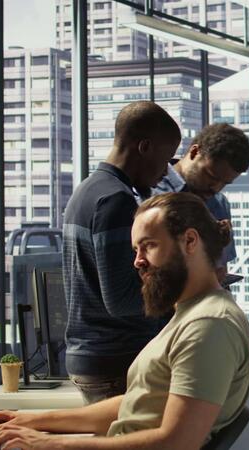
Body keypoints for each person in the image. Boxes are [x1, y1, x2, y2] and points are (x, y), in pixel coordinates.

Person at [0, 192, 249, 450]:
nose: (137, 261)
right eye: (136, 250)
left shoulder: (209, 324)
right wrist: (31, 421)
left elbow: (177, 442)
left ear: (190, 241)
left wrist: (51, 444)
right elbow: (137, 404)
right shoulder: (190, 313)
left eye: (149, 246)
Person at [63, 101, 181, 404]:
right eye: (165, 159)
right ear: (145, 147)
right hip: (117, 357)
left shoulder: (87, 190)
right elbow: (122, 300)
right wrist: (183, 291)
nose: (165, 171)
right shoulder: (116, 200)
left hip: (94, 355)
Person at [144, 123, 249, 281]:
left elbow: (220, 270)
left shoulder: (219, 204)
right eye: (211, 176)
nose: (215, 188)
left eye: (224, 183)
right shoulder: (149, 194)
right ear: (194, 152)